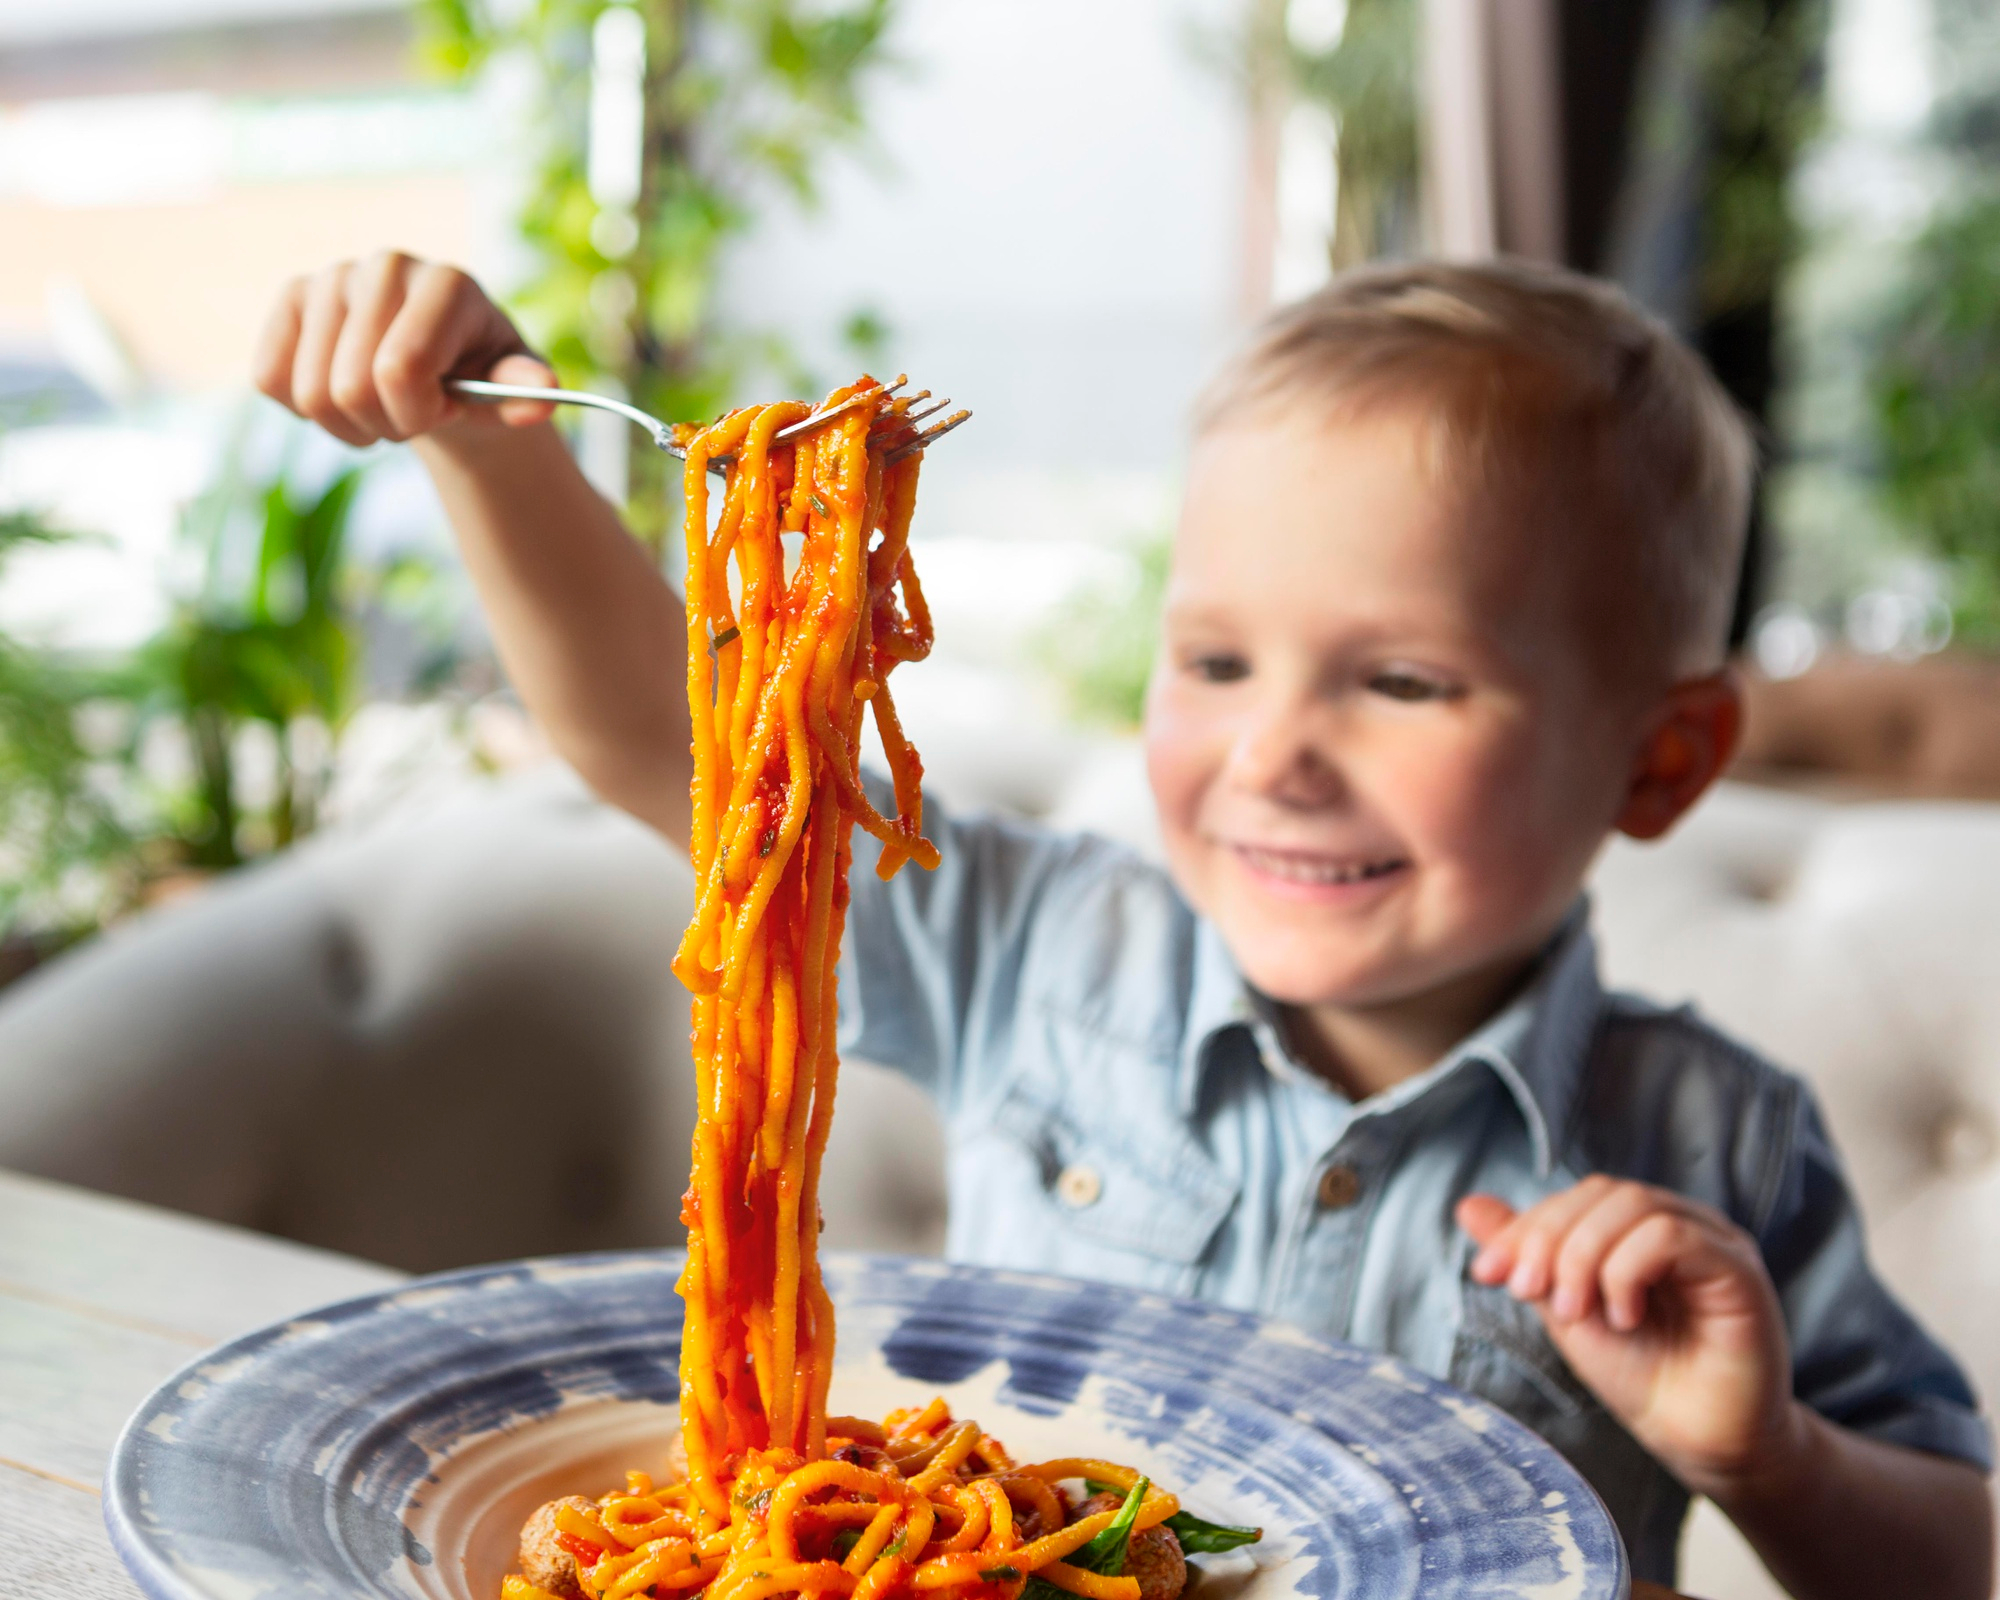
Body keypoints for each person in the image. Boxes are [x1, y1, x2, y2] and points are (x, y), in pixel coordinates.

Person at [254, 252, 1992, 1597]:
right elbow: (686, 751)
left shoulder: (1714, 1143)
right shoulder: (1034, 943)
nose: (1272, 757)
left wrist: (1770, 1461)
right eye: (1216, 660)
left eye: (1401, 680)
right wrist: (496, 460)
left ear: (1663, 757)